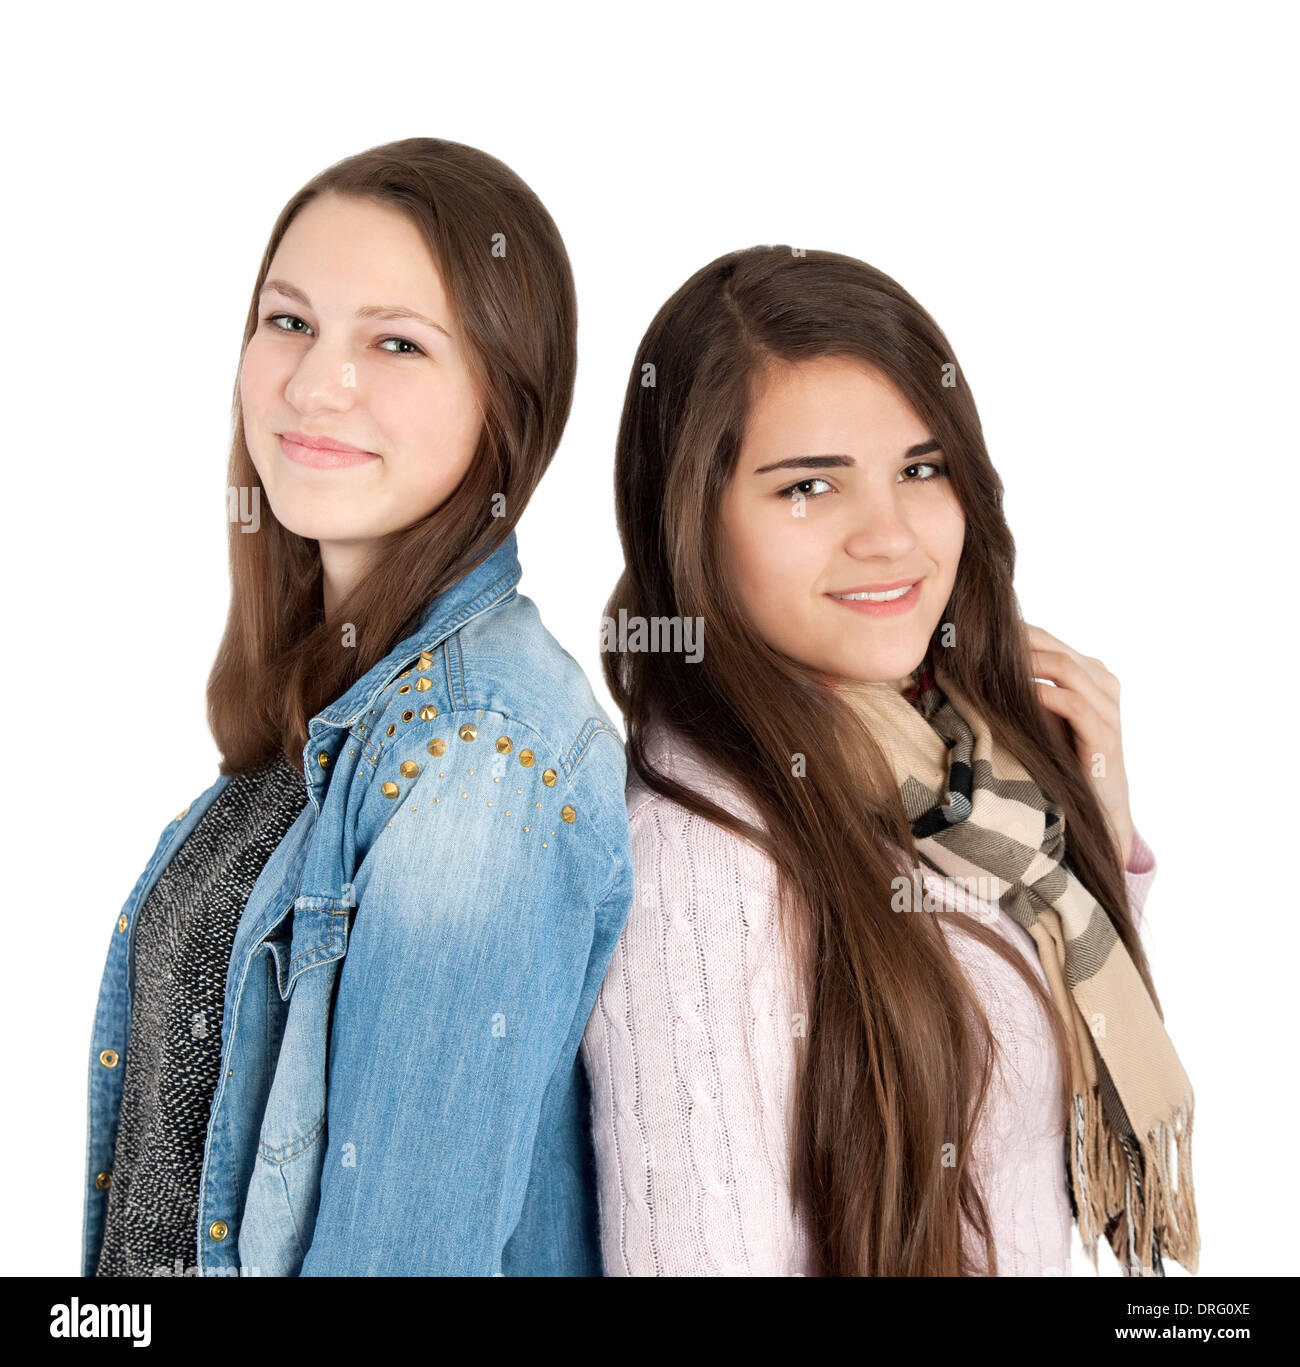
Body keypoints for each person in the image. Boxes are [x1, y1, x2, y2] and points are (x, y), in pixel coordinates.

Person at [581, 246, 1199, 1276]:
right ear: (692, 522)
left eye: (920, 469)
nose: (891, 535)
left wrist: (1097, 830)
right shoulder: (703, 871)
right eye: (808, 486)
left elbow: (1023, 1136)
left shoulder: (950, 773)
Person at [83, 137, 633, 1277]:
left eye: (395, 341)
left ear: (506, 401)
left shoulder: (480, 759)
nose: (315, 381)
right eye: (290, 322)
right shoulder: (338, 700)